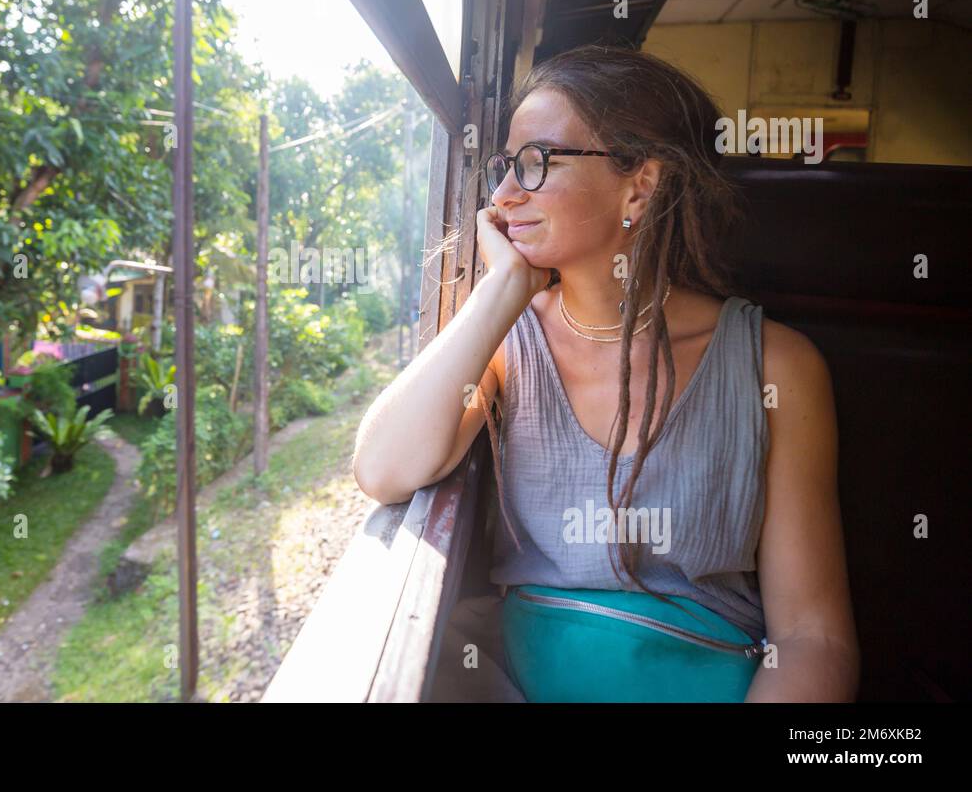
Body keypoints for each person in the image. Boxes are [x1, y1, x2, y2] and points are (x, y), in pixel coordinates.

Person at [352, 45, 859, 702]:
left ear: (639, 186)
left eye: (536, 163)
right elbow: (383, 469)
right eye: (505, 167)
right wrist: (500, 291)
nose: (504, 196)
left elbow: (811, 636)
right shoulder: (507, 344)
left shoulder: (776, 366)